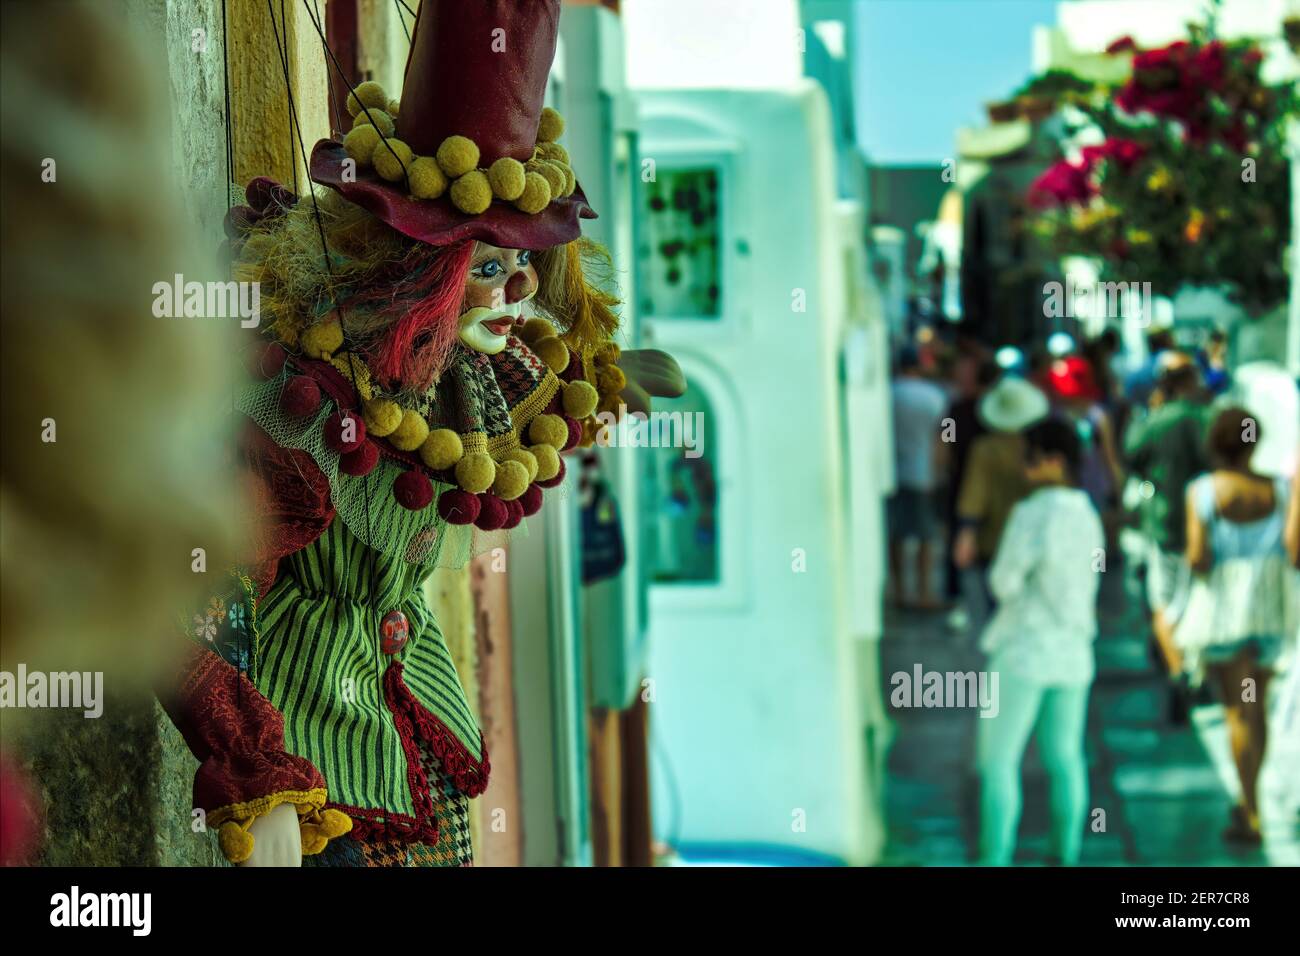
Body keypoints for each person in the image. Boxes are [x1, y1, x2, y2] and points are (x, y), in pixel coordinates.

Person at [160, 0, 669, 867]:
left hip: (410, 730)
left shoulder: (462, 386)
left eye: (525, 271)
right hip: (314, 745)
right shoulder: (305, 416)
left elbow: (539, 413)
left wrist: (616, 379)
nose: (514, 297)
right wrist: (257, 772)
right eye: (490, 269)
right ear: (418, 271)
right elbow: (191, 596)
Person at [976, 419, 1104, 865]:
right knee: (1066, 758)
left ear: (1052, 460)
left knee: (997, 761)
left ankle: (995, 857)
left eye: (1030, 454)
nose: (1023, 463)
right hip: (1073, 651)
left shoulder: (1030, 514)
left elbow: (1003, 583)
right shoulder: (1087, 514)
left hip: (1023, 649)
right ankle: (1065, 854)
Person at [1174, 408, 1300, 844]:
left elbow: (1197, 557)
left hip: (1224, 615)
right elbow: (1293, 551)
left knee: (1235, 713)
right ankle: (1255, 805)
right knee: (1258, 708)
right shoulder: (1280, 489)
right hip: (1270, 612)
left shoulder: (1203, 491)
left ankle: (1248, 810)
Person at [1123, 352, 1210, 675]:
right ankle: (1188, 668)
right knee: (1192, 597)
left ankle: (1179, 672)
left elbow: (1131, 454)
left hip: (1166, 523)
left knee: (1166, 601)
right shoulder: (1205, 416)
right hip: (1198, 522)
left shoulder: (1158, 420)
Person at [953, 375, 1050, 623]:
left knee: (998, 605)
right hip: (1036, 536)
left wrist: (967, 533)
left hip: (994, 538)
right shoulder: (1040, 448)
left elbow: (974, 492)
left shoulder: (984, 448)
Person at [888, 345, 950, 609]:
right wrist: (942, 468)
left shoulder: (889, 394)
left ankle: (900, 590)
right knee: (926, 536)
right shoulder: (935, 396)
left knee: (896, 535)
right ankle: (925, 592)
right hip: (924, 473)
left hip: (892, 472)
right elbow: (945, 436)